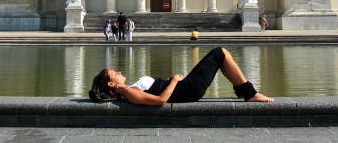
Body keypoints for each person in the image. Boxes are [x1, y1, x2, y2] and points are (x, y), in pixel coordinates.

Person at [89, 47, 273, 105]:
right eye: (115, 73)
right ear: (112, 85)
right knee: (219, 53)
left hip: (185, 88)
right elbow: (160, 101)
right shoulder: (128, 91)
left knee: (219, 57)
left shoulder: (128, 90)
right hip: (187, 90)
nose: (119, 72)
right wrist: (175, 80)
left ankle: (244, 91)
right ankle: (249, 94)